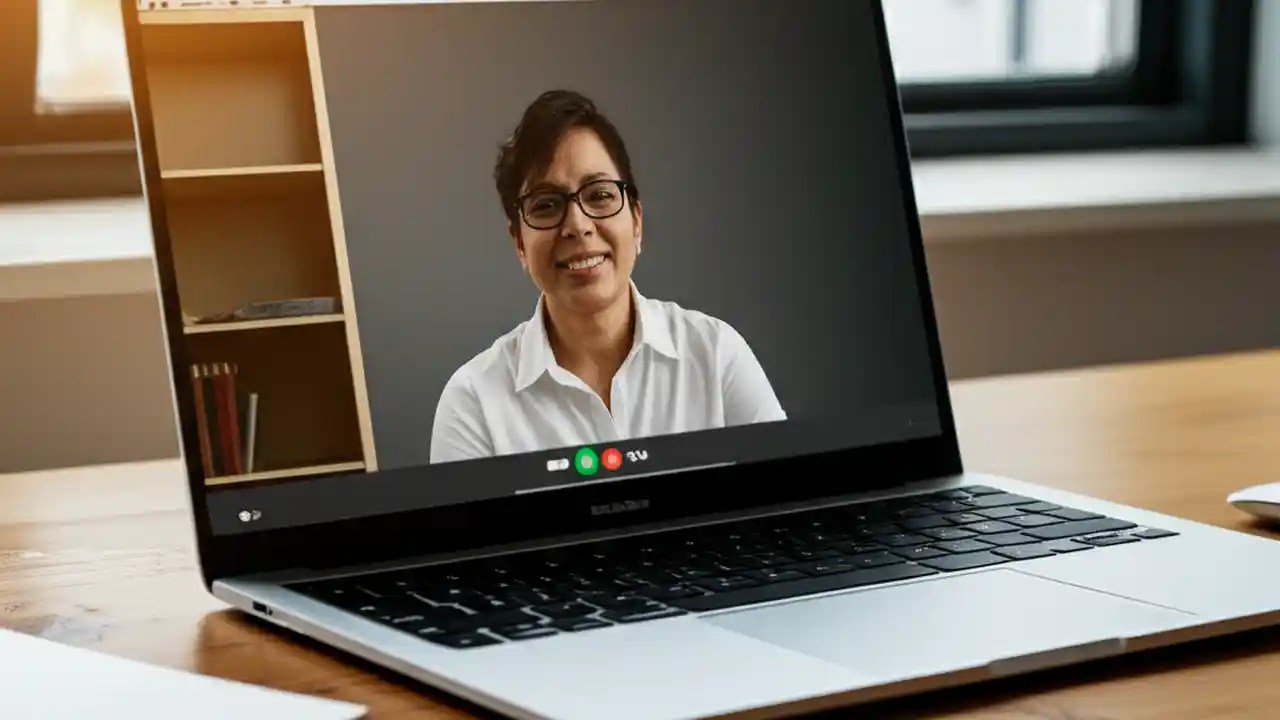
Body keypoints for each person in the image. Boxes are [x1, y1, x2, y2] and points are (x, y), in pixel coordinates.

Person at [430, 90, 785, 463]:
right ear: (519, 242)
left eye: (599, 195)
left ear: (636, 221)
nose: (578, 226)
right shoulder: (473, 404)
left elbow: (785, 503)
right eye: (546, 205)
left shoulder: (715, 356)